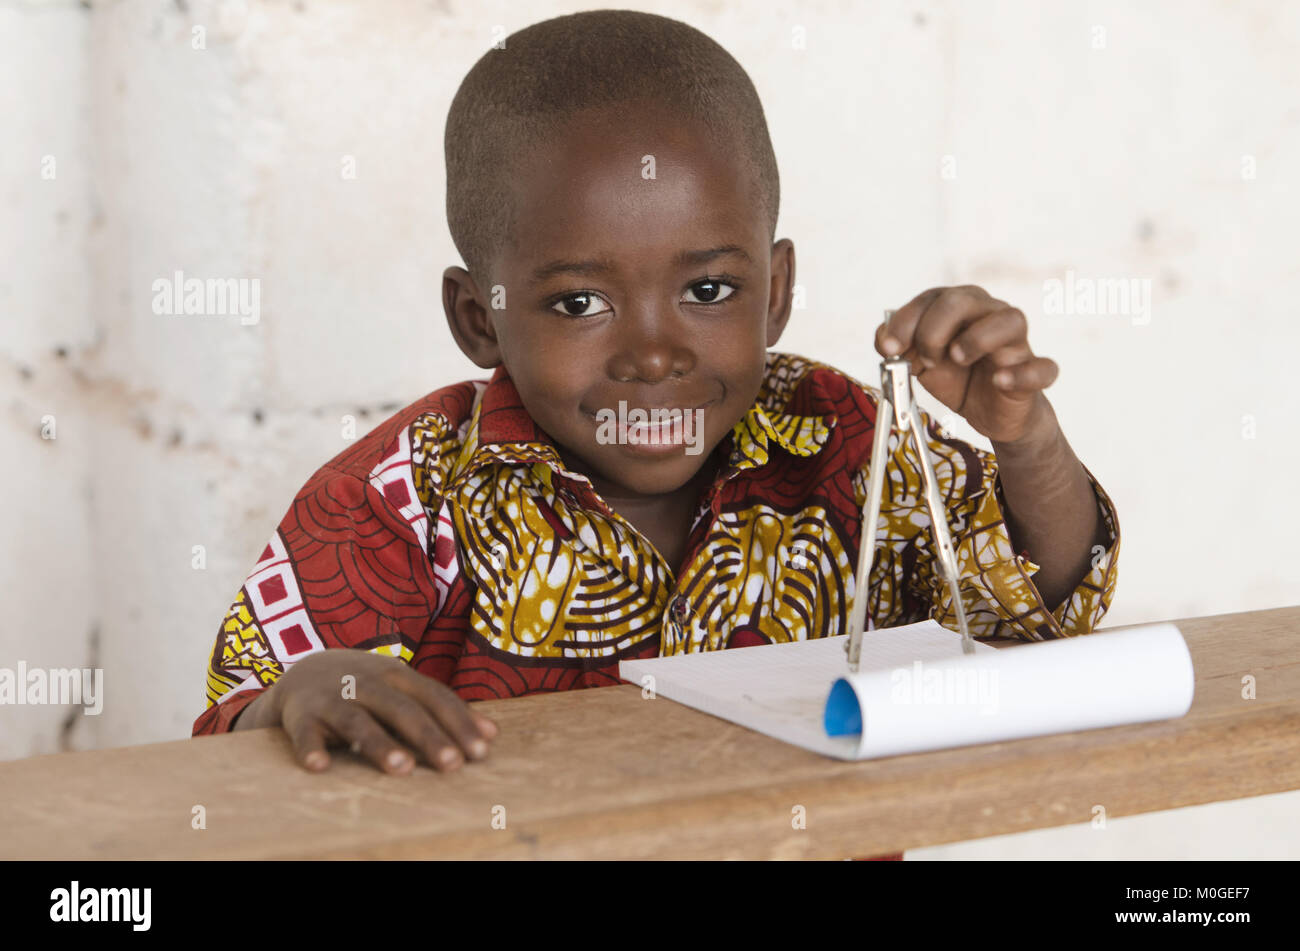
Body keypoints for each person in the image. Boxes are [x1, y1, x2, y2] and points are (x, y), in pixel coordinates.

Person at [192, 11, 1120, 821]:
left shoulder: (838, 441)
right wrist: (301, 692)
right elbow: (242, 722)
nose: (653, 356)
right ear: (480, 319)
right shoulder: (408, 494)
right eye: (578, 304)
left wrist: (1024, 435)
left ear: (778, 292)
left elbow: (1032, 617)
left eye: (709, 288)